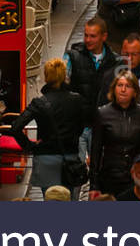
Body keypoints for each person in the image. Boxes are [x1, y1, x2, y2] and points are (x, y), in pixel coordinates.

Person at [11, 57, 86, 198]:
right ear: (64, 76)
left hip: (45, 159)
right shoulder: (77, 100)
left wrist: (31, 147)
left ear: (46, 77)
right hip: (70, 158)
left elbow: (16, 127)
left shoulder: (39, 103)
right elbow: (80, 127)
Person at [89, 70, 140, 197]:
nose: (123, 90)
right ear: (114, 89)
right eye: (120, 86)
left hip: (136, 177)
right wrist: (94, 184)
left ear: (135, 91)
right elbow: (96, 150)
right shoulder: (103, 113)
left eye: (128, 86)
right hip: (110, 176)